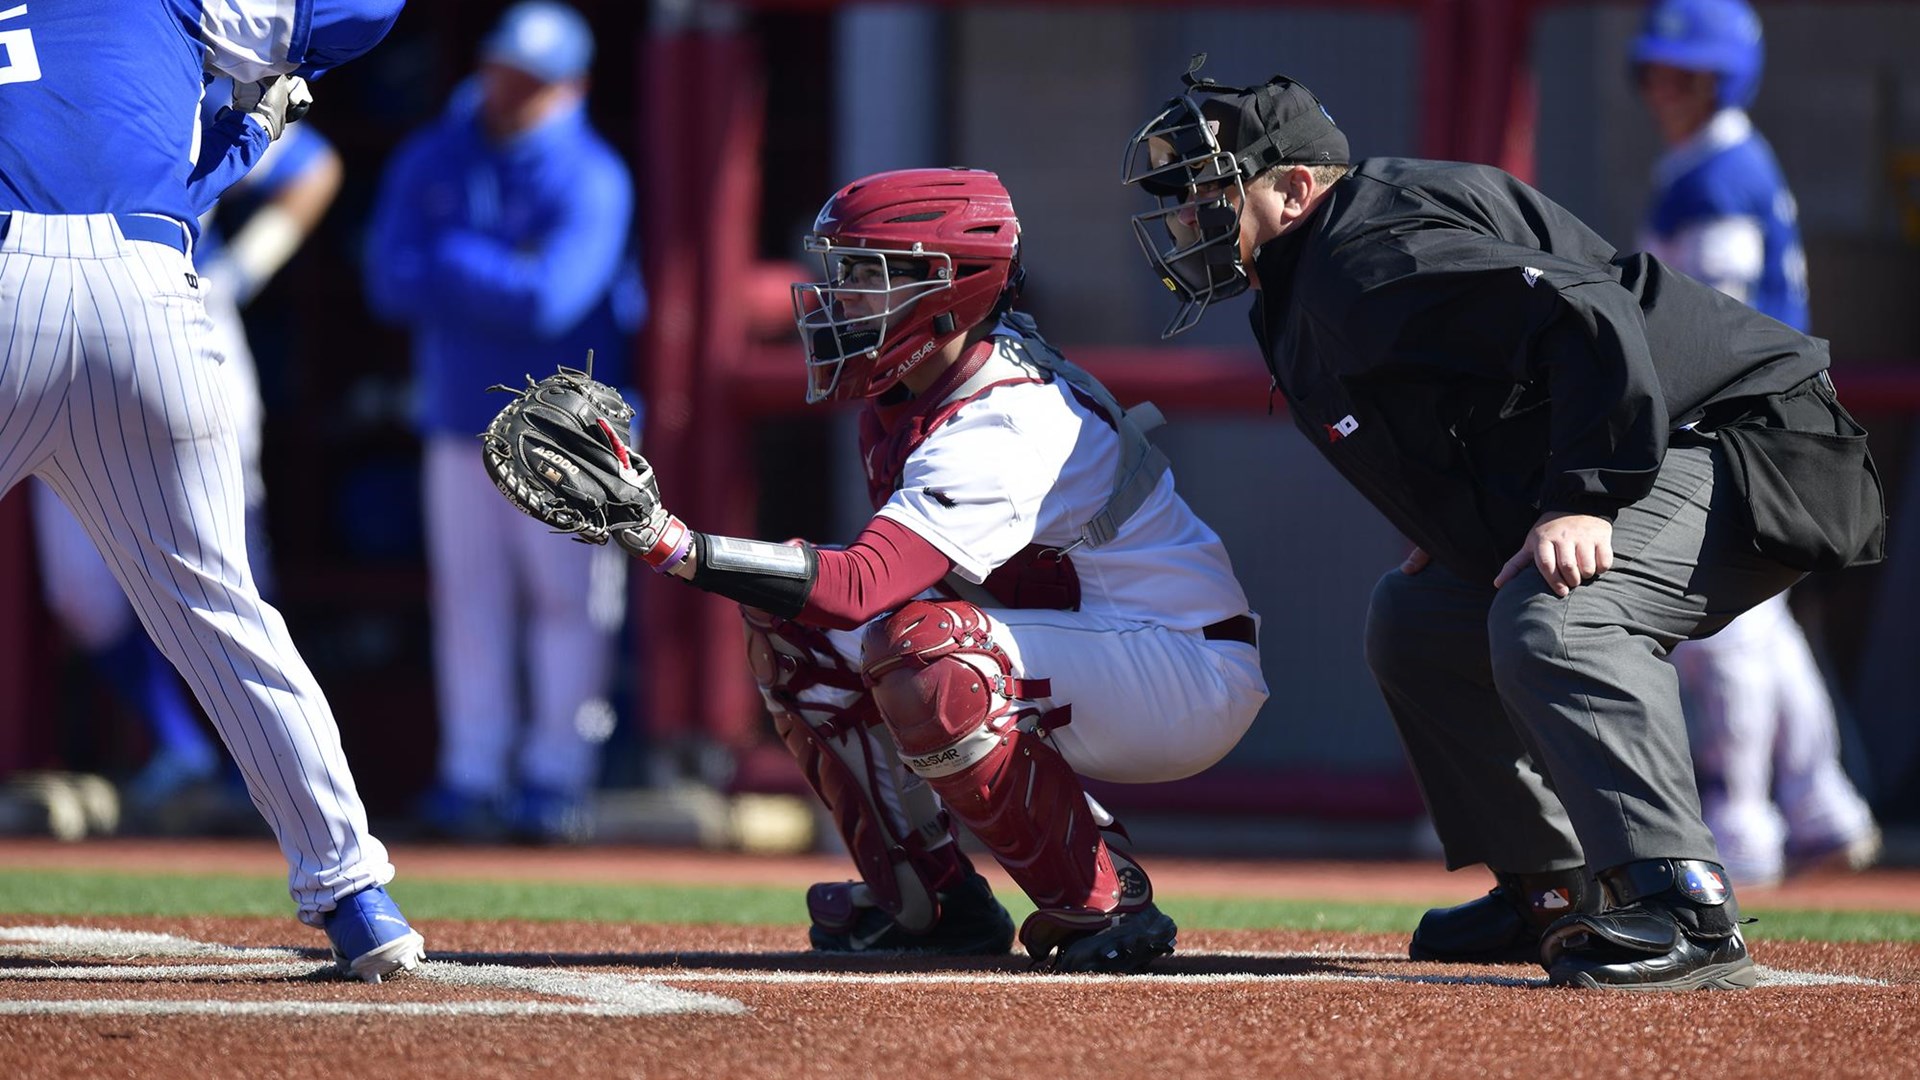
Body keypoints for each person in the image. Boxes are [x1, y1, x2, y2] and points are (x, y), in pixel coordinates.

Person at [1121, 61, 1883, 990]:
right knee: (1417, 623)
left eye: (1208, 193)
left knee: (1558, 618)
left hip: (1751, 436)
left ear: (1291, 187)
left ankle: (1681, 903)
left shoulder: (1367, 252)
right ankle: (1554, 894)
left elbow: (1586, 311)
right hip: (1667, 434)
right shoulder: (1306, 270)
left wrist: (1583, 494)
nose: (1184, 220)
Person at [488, 168, 1269, 972]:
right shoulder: (911, 395)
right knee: (801, 626)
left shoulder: (1007, 416)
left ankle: (1105, 900)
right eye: (843, 271)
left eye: (868, 274)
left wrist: (670, 543)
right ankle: (927, 899)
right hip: (1092, 643)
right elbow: (847, 600)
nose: (839, 296)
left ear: (949, 286)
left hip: (1183, 670)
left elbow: (861, 584)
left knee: (928, 656)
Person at [0, 1, 425, 981]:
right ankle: (356, 894)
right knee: (224, 609)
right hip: (153, 297)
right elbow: (360, 10)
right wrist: (270, 107)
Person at [363, 0, 645, 843]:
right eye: (500, 74)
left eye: (530, 82)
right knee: (468, 602)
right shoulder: (435, 155)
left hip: (570, 430)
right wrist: (492, 273)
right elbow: (386, 279)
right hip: (458, 418)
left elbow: (552, 297)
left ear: (571, 87)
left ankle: (556, 777)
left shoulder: (591, 173)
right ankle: (474, 773)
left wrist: (451, 259)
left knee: (568, 603)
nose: (508, 93)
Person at [26, 95, 345, 816]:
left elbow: (314, 166)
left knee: (230, 570)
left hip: (184, 314)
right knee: (82, 594)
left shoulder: (176, 73)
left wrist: (243, 270)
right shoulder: (31, 61)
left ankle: (262, 775)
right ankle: (182, 745)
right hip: (48, 327)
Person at [1630, 0, 1880, 887]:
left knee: (1722, 626)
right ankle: (1819, 804)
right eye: (1658, 71)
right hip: (1772, 424)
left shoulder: (1720, 175)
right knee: (1762, 626)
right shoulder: (1711, 164)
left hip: (1745, 427)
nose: (1666, 89)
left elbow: (1717, 321)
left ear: (1722, 76)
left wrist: (1674, 427)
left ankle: (1743, 818)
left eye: (1685, 73)